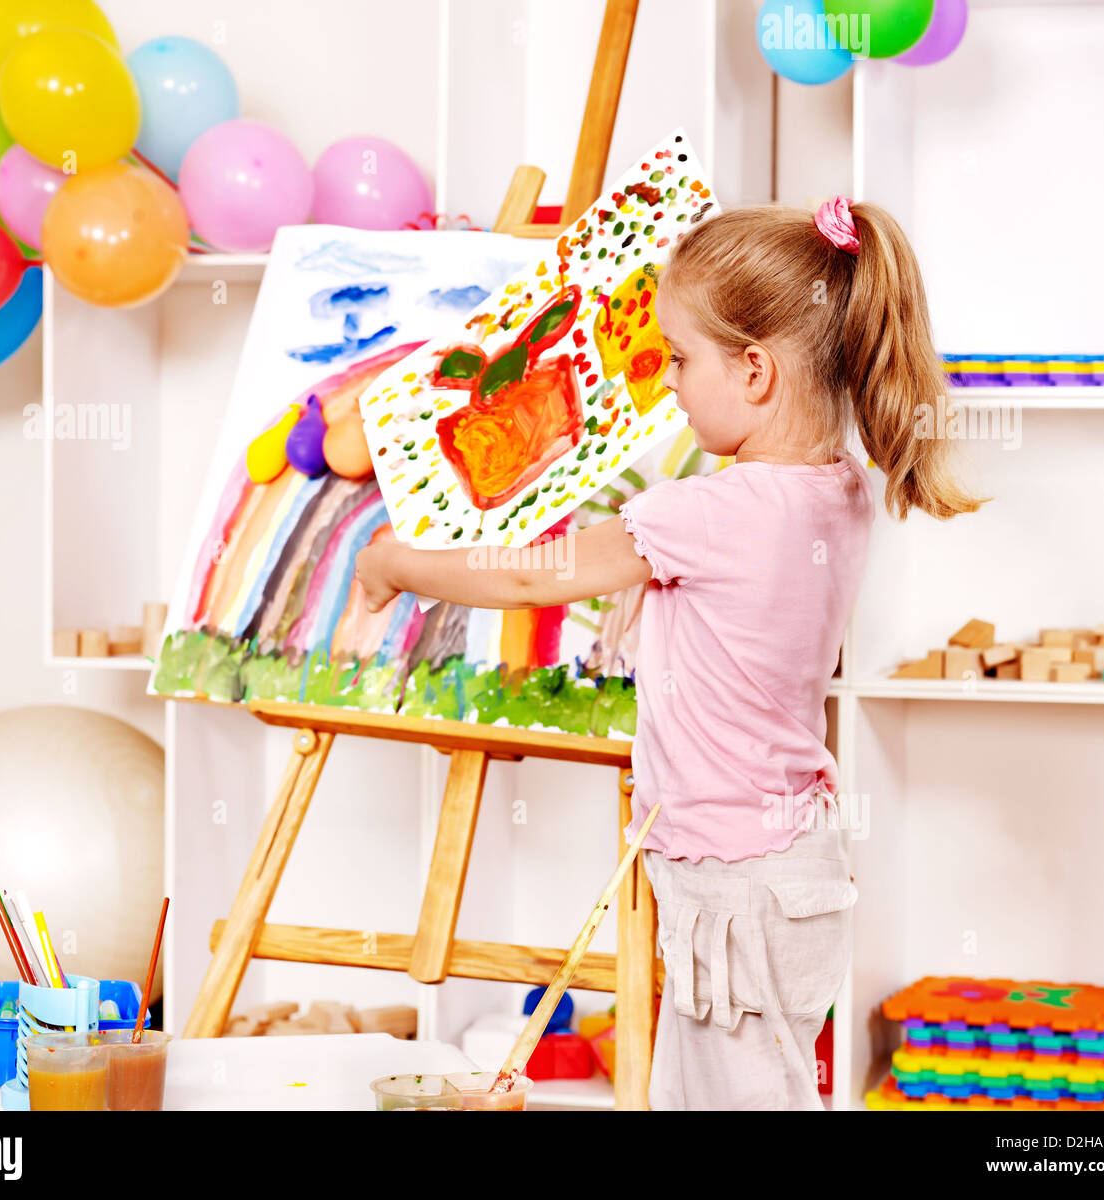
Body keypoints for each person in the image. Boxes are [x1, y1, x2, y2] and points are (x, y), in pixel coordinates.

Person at [355, 196, 979, 1109]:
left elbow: (531, 577)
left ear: (756, 370)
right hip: (787, 871)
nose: (671, 385)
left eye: (682, 360)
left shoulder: (707, 512)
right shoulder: (837, 489)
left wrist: (393, 561)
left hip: (735, 892)